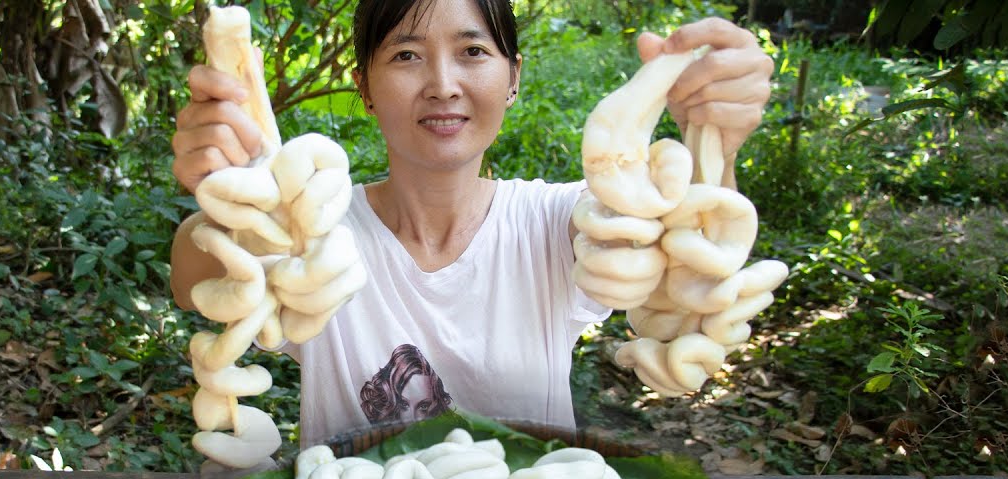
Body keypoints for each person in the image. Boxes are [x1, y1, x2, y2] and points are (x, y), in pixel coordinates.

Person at [170, 0, 773, 447]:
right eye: (406, 55)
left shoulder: (556, 226)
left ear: (512, 78)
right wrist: (229, 188)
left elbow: (688, 288)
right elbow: (193, 277)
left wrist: (717, 139)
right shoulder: (314, 233)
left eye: (473, 52)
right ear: (365, 86)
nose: (442, 85)